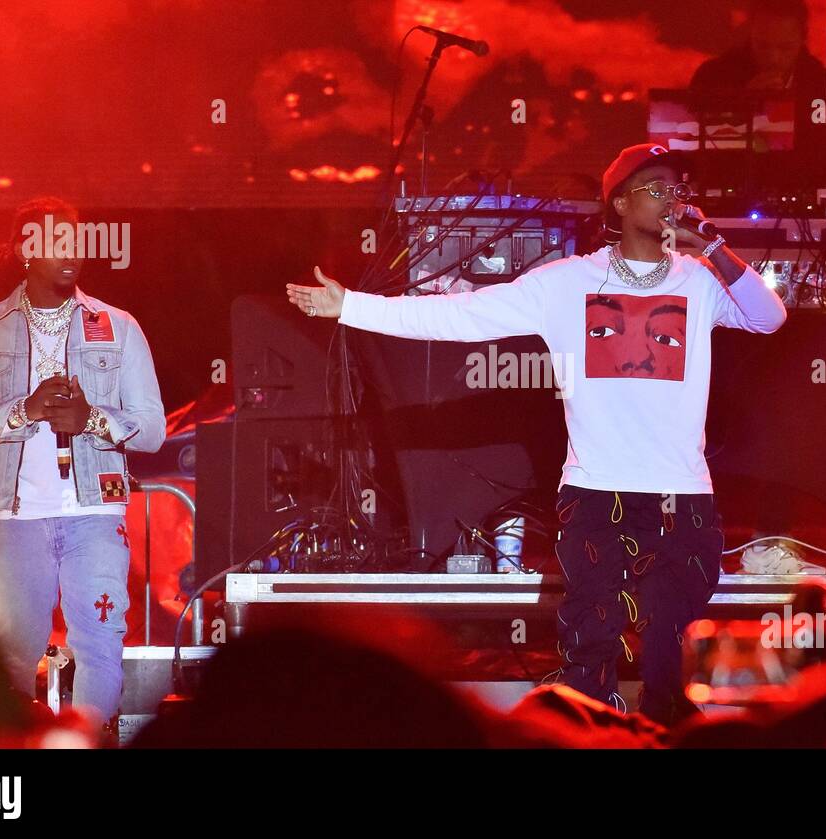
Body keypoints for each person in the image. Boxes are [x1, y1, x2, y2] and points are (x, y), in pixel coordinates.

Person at [287, 143, 787, 726]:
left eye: (679, 189)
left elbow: (768, 316)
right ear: (620, 204)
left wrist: (715, 247)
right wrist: (352, 306)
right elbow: (459, 317)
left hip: (685, 499)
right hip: (599, 494)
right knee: (589, 663)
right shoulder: (565, 284)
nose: (673, 200)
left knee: (671, 665)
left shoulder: (699, 283)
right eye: (656, 188)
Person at [0, 197, 166, 728]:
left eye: (77, 242)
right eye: (57, 242)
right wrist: (26, 409)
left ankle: (87, 742)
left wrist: (90, 419)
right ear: (26, 249)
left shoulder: (118, 325)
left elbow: (153, 430)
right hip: (18, 517)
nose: (73, 253)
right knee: (15, 654)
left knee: (99, 643)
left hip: (96, 512)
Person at [689, 0, 826, 194]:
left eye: (785, 48)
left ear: (802, 39)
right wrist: (743, 102)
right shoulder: (714, 76)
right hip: (730, 195)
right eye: (763, 46)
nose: (773, 57)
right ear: (751, 33)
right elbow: (693, 153)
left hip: (803, 199)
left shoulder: (821, 86)